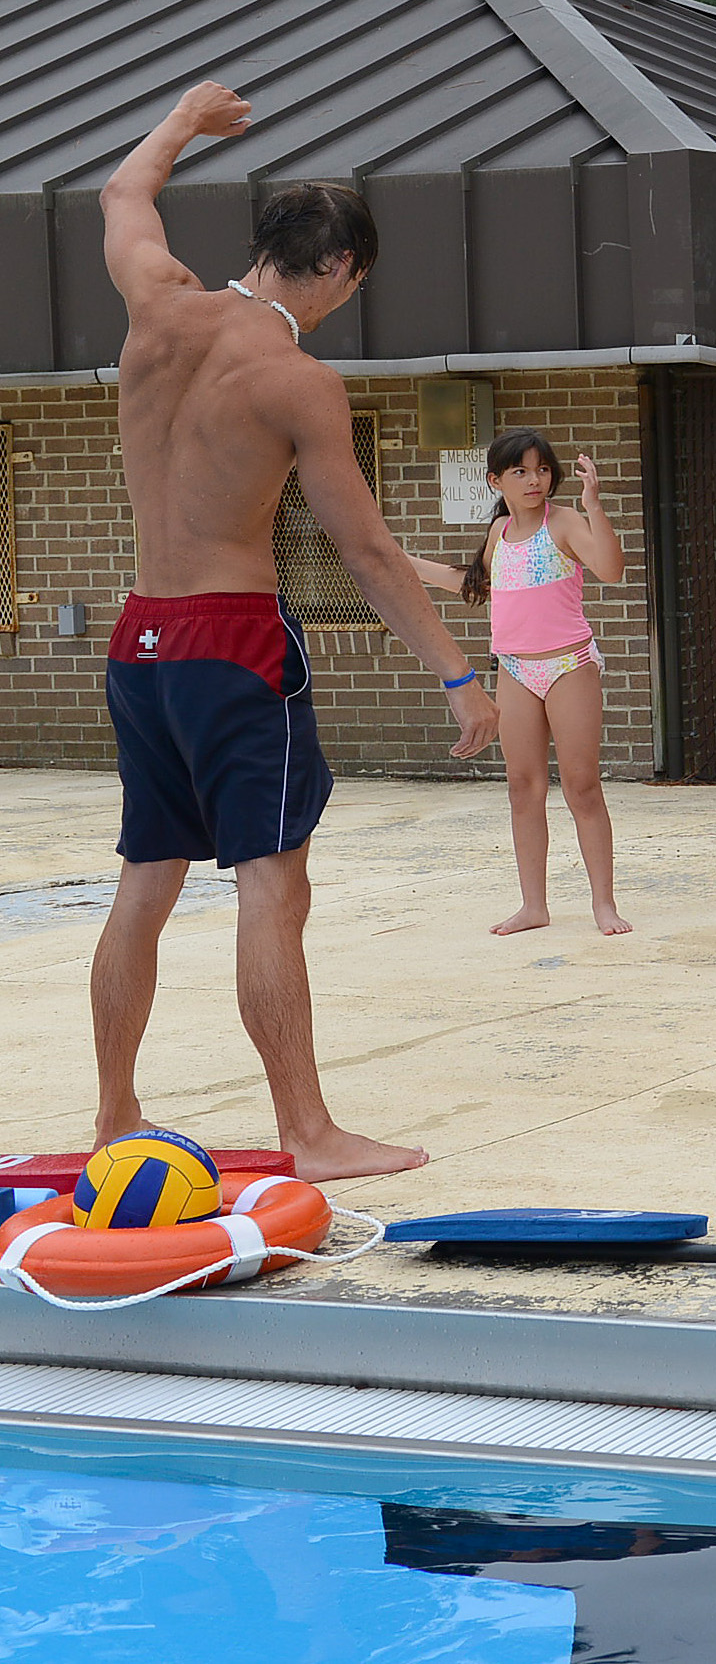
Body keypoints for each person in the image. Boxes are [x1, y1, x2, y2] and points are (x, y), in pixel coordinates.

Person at [91, 82, 499, 1182]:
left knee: (145, 882)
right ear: (341, 271)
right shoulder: (295, 379)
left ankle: (115, 1115)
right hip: (232, 643)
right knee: (273, 886)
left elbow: (124, 193)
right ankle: (308, 1133)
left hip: (140, 639)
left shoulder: (156, 306)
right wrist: (458, 674)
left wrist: (184, 119)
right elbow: (367, 553)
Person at [400, 431, 630, 938]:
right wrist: (403, 563)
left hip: (569, 665)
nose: (534, 480)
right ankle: (533, 906)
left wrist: (594, 507)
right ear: (495, 480)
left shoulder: (563, 522)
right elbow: (473, 586)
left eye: (542, 469)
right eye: (520, 471)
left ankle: (604, 904)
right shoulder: (499, 532)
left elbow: (611, 570)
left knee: (582, 786)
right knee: (523, 788)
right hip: (515, 671)